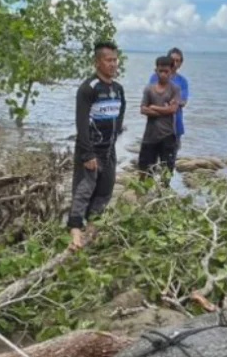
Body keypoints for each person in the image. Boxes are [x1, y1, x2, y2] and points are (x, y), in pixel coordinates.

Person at [67, 41, 125, 250]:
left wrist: (114, 137)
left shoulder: (118, 89)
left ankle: (90, 230)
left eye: (115, 60)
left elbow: (119, 119)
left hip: (109, 151)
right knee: (83, 192)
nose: (113, 64)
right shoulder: (88, 88)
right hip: (90, 151)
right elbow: (81, 123)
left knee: (105, 191)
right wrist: (87, 153)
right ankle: (74, 232)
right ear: (97, 62)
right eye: (108, 60)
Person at [138, 55, 180, 176]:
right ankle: (143, 194)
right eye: (160, 71)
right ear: (156, 70)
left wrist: (154, 107)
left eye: (166, 71)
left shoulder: (174, 89)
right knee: (145, 170)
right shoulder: (149, 89)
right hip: (150, 135)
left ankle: (164, 192)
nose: (163, 74)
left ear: (171, 72)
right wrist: (164, 109)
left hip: (168, 135)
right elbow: (143, 109)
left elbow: (173, 110)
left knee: (167, 171)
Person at [149, 46, 189, 150]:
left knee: (171, 157)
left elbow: (183, 101)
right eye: (172, 60)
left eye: (178, 61)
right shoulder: (155, 77)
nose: (175, 63)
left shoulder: (182, 81)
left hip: (175, 125)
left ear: (181, 63)